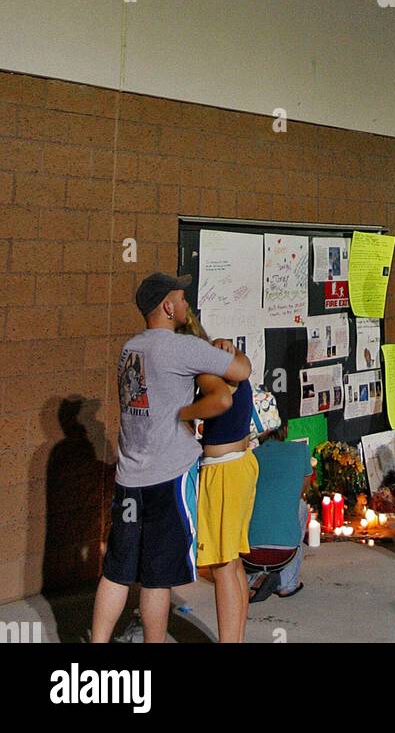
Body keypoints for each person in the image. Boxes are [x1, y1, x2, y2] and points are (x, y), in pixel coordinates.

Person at [91, 273, 251, 644]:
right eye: (181, 298)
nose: (185, 305)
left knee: (116, 571)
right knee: (157, 577)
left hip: (129, 476)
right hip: (168, 478)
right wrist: (188, 409)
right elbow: (239, 372)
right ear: (167, 306)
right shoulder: (180, 348)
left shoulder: (130, 349)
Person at [180, 312, 259, 643]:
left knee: (223, 567)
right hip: (243, 462)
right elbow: (246, 368)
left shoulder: (204, 370)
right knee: (235, 563)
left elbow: (220, 401)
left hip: (223, 470)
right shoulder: (226, 356)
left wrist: (180, 414)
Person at [244, 426, 313, 602]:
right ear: (286, 428)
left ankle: (252, 578)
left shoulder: (248, 456)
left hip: (248, 553)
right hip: (285, 552)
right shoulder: (300, 450)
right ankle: (287, 584)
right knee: (299, 507)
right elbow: (300, 491)